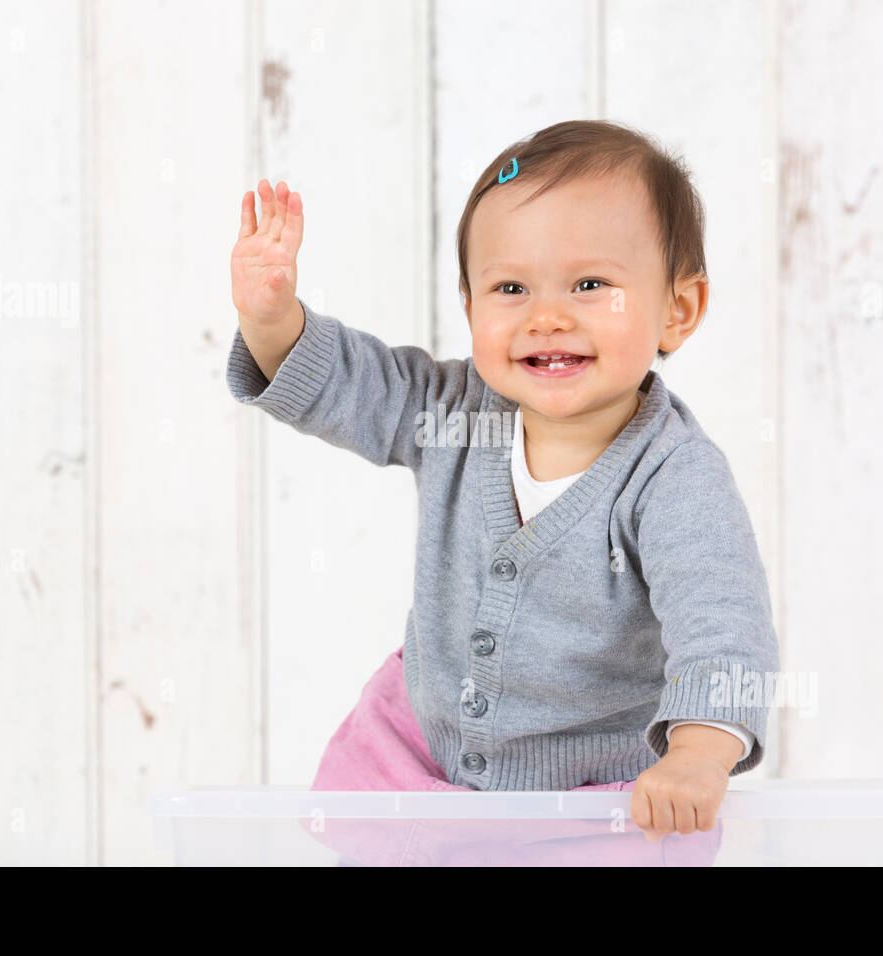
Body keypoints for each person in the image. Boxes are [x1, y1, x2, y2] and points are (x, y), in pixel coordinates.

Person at [226, 119, 781, 846]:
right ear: (469, 307)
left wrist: (698, 757)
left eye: (590, 284)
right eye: (510, 287)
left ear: (677, 309)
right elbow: (348, 384)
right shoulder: (450, 415)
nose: (546, 316)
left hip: (594, 801)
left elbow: (725, 629)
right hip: (424, 756)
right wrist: (270, 318)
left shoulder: (675, 478)